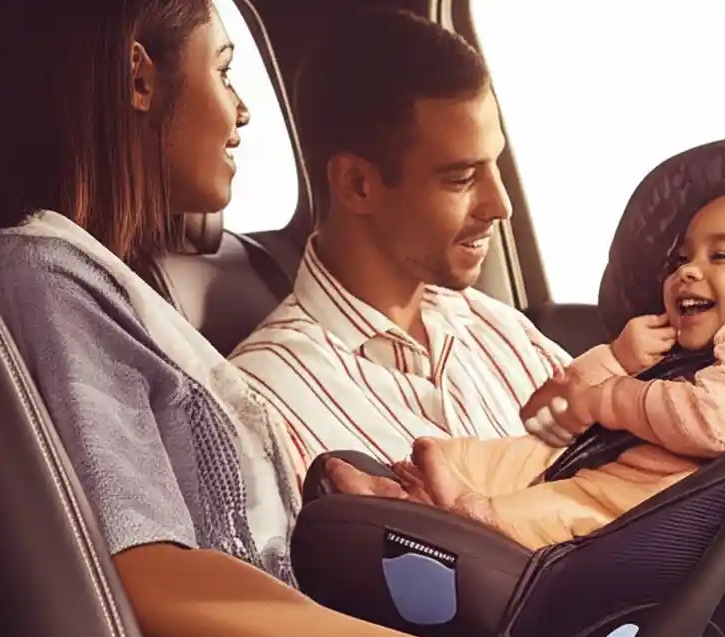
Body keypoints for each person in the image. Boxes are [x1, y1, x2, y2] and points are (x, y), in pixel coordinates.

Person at [0, 1, 602, 637]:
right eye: (224, 72)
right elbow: (144, 570)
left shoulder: (107, 290)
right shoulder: (35, 270)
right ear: (140, 80)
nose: (243, 111)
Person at [320, 143, 725, 550]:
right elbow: (542, 421)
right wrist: (613, 363)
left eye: (720, 257)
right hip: (597, 470)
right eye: (681, 259)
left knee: (544, 512)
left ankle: (441, 519)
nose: (687, 273)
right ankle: (403, 491)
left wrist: (615, 397)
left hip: (638, 512)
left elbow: (718, 420)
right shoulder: (672, 345)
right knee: (506, 454)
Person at [229, 10, 568, 471]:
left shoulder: (504, 334)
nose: (500, 205)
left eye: (495, 166)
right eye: (462, 178)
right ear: (357, 185)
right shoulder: (266, 402)